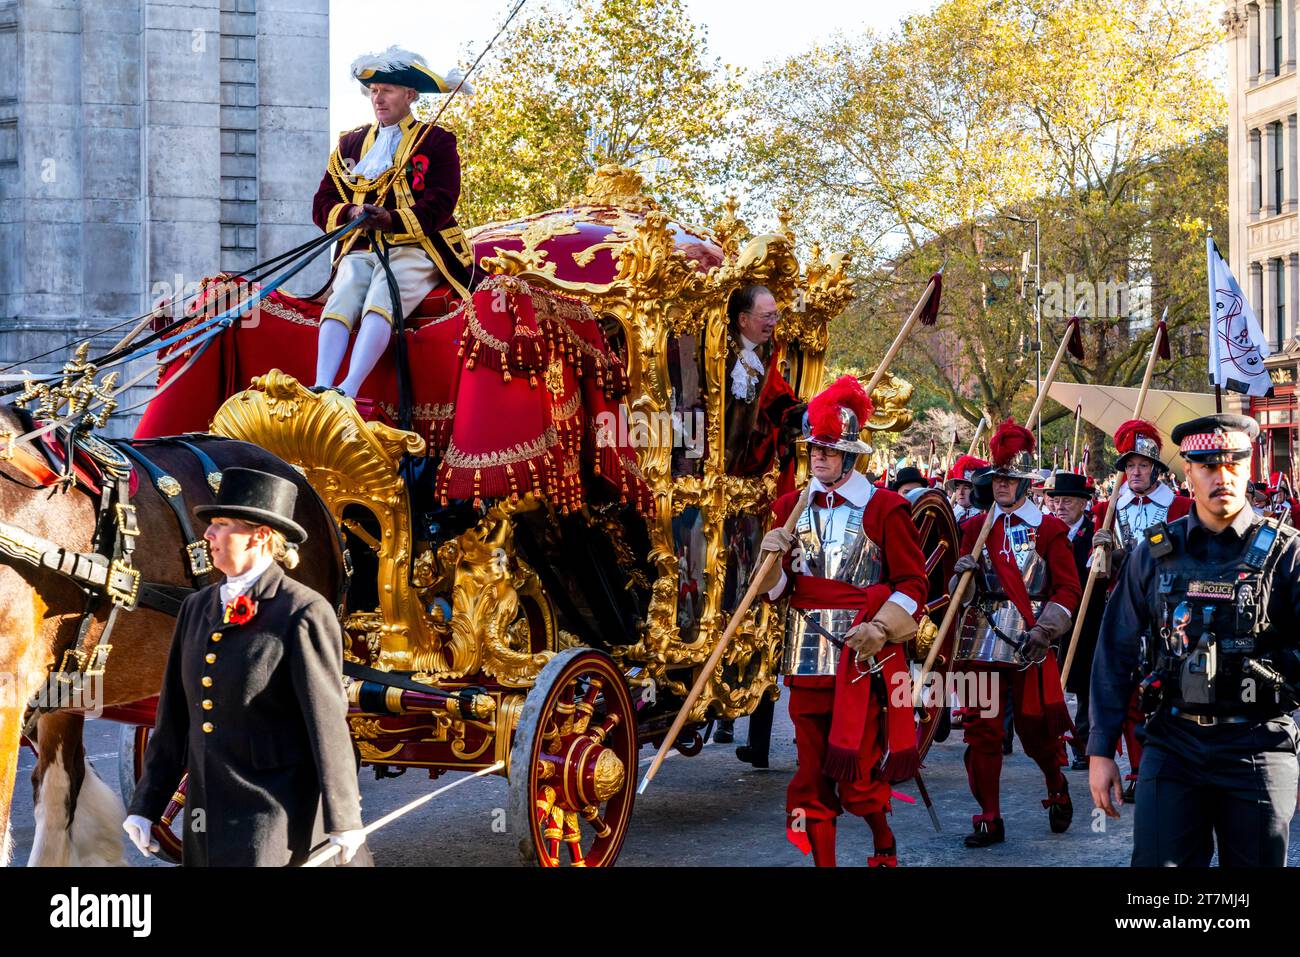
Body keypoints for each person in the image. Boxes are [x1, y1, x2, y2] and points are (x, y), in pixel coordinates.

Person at [123, 468, 366, 866]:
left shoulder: (302, 611)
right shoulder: (195, 608)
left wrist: (345, 818)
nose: (207, 536)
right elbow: (174, 720)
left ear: (260, 536)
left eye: (221, 525)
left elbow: (327, 722)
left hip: (274, 817)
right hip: (207, 820)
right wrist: (145, 805)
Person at [1088, 414, 1300, 866]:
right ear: (1187, 471)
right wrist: (1100, 750)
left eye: (1232, 463)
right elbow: (1116, 651)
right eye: (1206, 464)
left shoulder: (1289, 554)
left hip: (1259, 745)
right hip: (1172, 743)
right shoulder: (1153, 553)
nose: (1220, 476)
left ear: (1251, 467)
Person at [754, 375, 928, 866]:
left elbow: (914, 585)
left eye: (829, 450)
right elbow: (777, 593)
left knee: (857, 777)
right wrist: (768, 564)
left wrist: (881, 628)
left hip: (862, 659)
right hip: (805, 656)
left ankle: (882, 840)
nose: (819, 458)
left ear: (851, 454)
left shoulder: (886, 507)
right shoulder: (789, 508)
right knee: (810, 775)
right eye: (814, 449)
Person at [311, 46, 475, 398]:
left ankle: (349, 388)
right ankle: (322, 384)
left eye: (387, 90)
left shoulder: (436, 141)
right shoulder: (350, 144)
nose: (378, 98)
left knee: (384, 293)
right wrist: (353, 214)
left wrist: (392, 219)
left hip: (418, 247)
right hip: (360, 248)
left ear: (410, 95)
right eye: (374, 91)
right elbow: (322, 202)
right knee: (344, 291)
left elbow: (443, 200)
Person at [949, 420, 1081, 848]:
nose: (1001, 486)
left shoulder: (1049, 530)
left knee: (1034, 730)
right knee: (982, 731)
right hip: (981, 637)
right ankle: (989, 815)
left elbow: (1067, 589)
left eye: (1009, 479)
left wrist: (1047, 628)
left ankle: (1056, 784)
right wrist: (961, 579)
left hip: (1030, 639)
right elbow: (959, 597)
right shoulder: (973, 529)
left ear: (1024, 482)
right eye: (997, 479)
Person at [1091, 419, 1191, 802]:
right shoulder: (1109, 509)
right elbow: (1099, 570)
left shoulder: (1180, 505)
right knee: (1130, 691)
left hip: (1169, 611)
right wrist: (1102, 549)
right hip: (1125, 608)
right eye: (1129, 465)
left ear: (1156, 470)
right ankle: (1138, 769)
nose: (1135, 472)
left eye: (1142, 465)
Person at [1041, 470, 1105, 771]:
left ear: (1083, 504)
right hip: (1049, 616)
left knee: (1083, 684)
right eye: (1055, 500)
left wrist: (1106, 554)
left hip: (1086, 615)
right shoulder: (1042, 531)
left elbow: (1105, 578)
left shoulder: (1096, 535)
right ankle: (1048, 740)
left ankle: (1083, 744)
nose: (1060, 506)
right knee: (1045, 681)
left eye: (1068, 500)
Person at [722, 284, 800, 476]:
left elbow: (774, 394)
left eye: (775, 316)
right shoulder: (719, 347)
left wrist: (801, 417)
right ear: (743, 319)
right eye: (766, 316)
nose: (773, 323)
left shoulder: (767, 350)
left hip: (751, 458)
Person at [946, 454, 988, 524]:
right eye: (957, 488)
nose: (960, 492)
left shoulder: (985, 515)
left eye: (966, 488)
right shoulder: (952, 515)